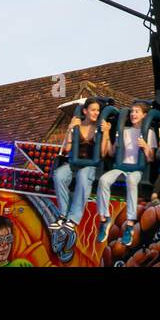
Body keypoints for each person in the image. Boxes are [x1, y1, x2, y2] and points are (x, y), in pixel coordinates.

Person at [94, 102, 155, 247]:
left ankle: (129, 224)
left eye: (137, 112)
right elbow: (112, 152)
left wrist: (145, 146)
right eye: (132, 112)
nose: (133, 114)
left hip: (137, 169)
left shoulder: (149, 132)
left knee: (132, 181)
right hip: (121, 167)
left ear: (144, 115)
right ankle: (104, 219)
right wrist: (108, 133)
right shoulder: (124, 130)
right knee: (103, 180)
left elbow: (151, 158)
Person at [50, 98, 104, 236]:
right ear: (85, 111)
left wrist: (107, 132)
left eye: (98, 110)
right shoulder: (77, 126)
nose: (96, 113)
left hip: (89, 165)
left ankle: (73, 218)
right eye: (93, 110)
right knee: (59, 175)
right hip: (74, 162)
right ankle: (63, 214)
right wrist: (69, 129)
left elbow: (104, 153)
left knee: (83, 176)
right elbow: (67, 149)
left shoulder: (100, 127)